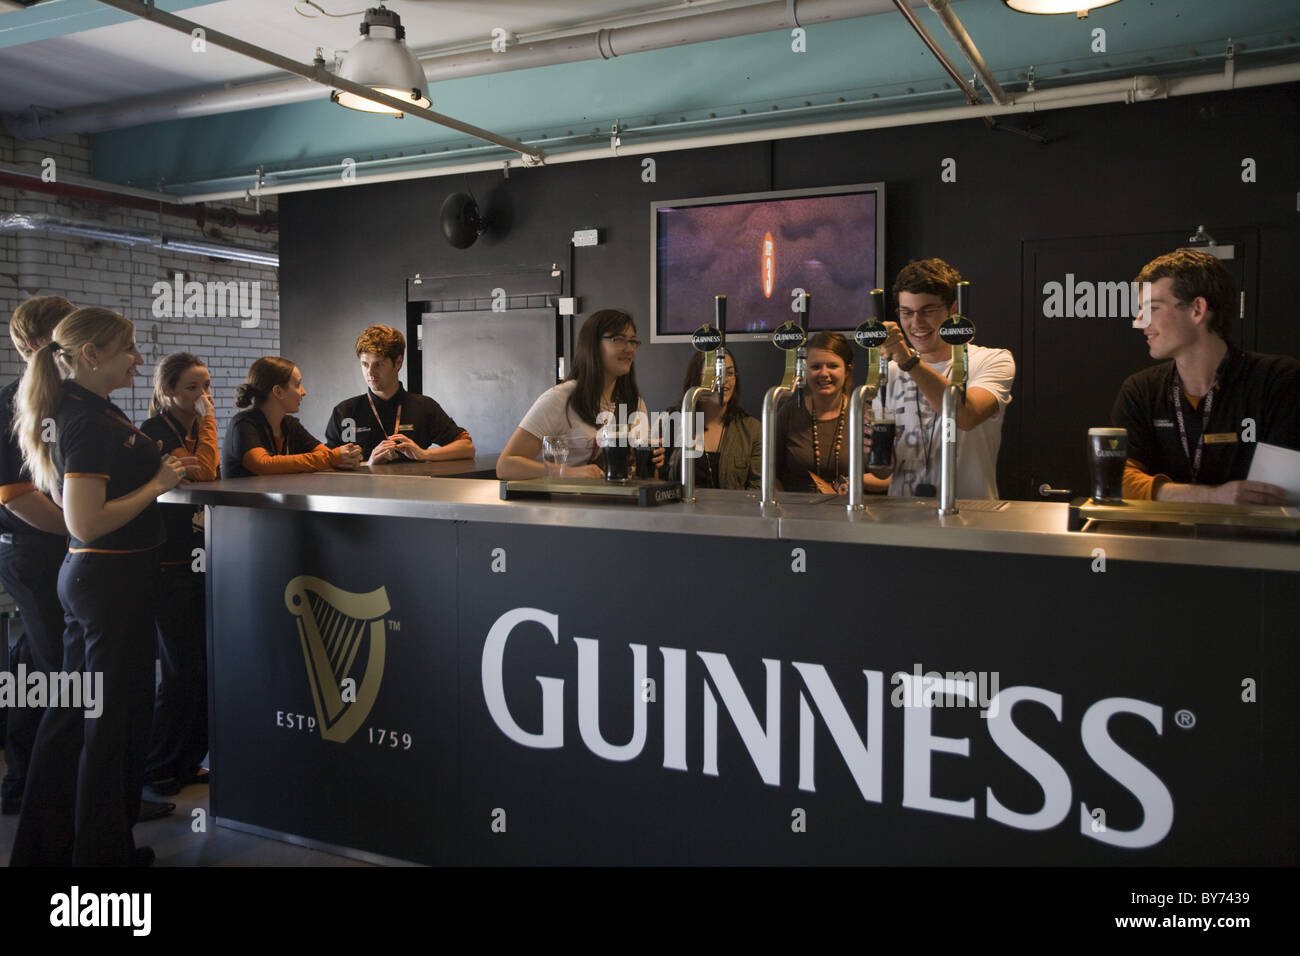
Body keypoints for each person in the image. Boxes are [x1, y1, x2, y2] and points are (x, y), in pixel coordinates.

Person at [9, 307, 188, 866]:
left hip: (103, 582)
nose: (138, 359)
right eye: (129, 349)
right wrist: (157, 484)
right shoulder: (84, 419)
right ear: (92, 355)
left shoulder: (85, 409)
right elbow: (82, 521)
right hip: (107, 583)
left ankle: (62, 848)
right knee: (109, 723)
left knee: (84, 719)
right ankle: (102, 857)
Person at [1111, 248, 1299, 504]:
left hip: (1256, 541)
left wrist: (1163, 493)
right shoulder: (1141, 389)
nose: (1139, 322)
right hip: (1162, 542)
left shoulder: (1278, 380)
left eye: (1152, 308)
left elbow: (1281, 493)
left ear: (1197, 310)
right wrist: (1212, 497)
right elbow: (1116, 479)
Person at [0, 295, 75, 817]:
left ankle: (25, 783)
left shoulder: (69, 400)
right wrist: (82, 533)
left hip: (59, 548)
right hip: (32, 550)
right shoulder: (13, 404)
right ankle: (54, 797)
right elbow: (16, 496)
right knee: (62, 675)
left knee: (36, 665)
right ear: (32, 344)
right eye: (61, 335)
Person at [139, 353, 218, 796]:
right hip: (168, 562)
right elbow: (204, 470)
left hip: (198, 556)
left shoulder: (192, 429)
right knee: (178, 667)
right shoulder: (154, 434)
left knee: (200, 664)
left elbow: (203, 473)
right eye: (192, 388)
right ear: (168, 392)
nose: (203, 396)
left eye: (205, 386)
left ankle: (189, 759)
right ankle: (159, 766)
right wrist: (208, 426)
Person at [872, 258, 1016, 498]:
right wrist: (874, 453)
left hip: (970, 520)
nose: (916, 323)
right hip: (901, 522)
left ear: (953, 310)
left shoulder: (992, 360)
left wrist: (909, 361)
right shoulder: (891, 372)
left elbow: (965, 416)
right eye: (906, 312)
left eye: (927, 311)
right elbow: (883, 471)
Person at [497, 309, 663, 479]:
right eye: (618, 340)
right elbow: (506, 466)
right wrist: (568, 472)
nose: (629, 349)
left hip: (620, 504)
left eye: (633, 341)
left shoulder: (634, 403)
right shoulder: (560, 398)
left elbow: (645, 479)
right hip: (569, 504)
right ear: (592, 345)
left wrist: (652, 461)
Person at [325, 325, 474, 466]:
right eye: (365, 364)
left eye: (378, 364)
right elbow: (327, 463)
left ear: (398, 363)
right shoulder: (345, 411)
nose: (370, 372)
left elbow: (467, 448)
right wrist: (368, 465)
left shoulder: (424, 407)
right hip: (362, 491)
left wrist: (424, 454)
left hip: (413, 491)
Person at [223, 357, 363, 478]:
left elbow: (328, 455)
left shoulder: (290, 425)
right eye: (297, 385)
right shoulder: (243, 424)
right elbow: (263, 465)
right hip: (244, 508)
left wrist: (348, 457)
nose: (304, 392)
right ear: (278, 391)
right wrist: (334, 458)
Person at [775, 331, 858, 493]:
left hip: (850, 511)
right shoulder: (789, 412)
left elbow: (885, 477)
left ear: (847, 370)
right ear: (805, 370)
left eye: (833, 366)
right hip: (797, 513)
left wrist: (851, 482)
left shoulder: (862, 413)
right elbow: (772, 474)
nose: (824, 373)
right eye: (815, 367)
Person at [666, 350, 761, 489]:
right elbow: (658, 482)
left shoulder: (752, 430)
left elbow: (758, 489)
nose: (723, 380)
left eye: (729, 373)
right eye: (714, 373)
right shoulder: (673, 422)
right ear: (697, 378)